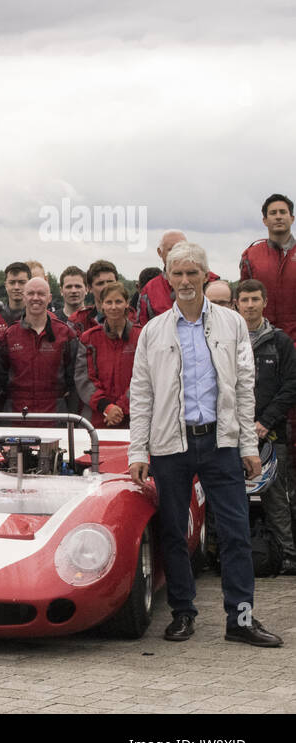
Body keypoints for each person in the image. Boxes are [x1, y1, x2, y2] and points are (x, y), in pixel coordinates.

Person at [128, 241, 280, 647]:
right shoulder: (153, 331)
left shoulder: (231, 326)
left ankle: (241, 619)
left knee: (236, 532)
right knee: (175, 534)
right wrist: (137, 451)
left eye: (193, 272)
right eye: (177, 273)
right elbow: (141, 394)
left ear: (206, 276)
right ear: (167, 279)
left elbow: (245, 388)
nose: (185, 280)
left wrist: (248, 445)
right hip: (169, 447)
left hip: (221, 442)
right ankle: (182, 614)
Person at [237, 278, 296, 574]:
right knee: (230, 496)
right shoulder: (228, 338)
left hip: (272, 434)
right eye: (244, 300)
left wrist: (265, 421)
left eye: (254, 299)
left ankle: (287, 557)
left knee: (276, 497)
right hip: (232, 434)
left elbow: (291, 385)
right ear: (237, 303)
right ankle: (222, 555)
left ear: (265, 303)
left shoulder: (280, 341)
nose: (249, 305)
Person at [0, 277, 82, 416]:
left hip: (55, 415)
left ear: (49, 298)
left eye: (41, 294)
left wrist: (71, 416)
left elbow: (74, 382)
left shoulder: (65, 334)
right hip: (16, 416)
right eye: (30, 293)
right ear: (24, 297)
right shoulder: (9, 335)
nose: (35, 298)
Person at [78, 283, 140, 429]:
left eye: (118, 302)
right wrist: (107, 407)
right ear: (102, 305)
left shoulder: (141, 335)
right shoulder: (89, 338)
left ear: (126, 304)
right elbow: (84, 379)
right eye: (109, 302)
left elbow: (145, 377)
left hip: (134, 417)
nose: (113, 307)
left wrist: (121, 408)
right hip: (97, 418)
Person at [240, 193, 296, 342]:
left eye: (283, 212)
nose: (278, 217)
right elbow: (243, 299)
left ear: (292, 218)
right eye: (273, 213)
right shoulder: (251, 255)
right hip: (261, 341)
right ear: (265, 220)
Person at [69, 260, 126, 332]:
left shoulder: (134, 318)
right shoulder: (78, 322)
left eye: (110, 282)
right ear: (89, 288)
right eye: (100, 283)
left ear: (117, 283)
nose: (106, 287)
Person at [0, 262, 31, 339]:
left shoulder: (39, 317)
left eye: (22, 282)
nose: (16, 287)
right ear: (6, 285)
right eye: (12, 283)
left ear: (30, 284)